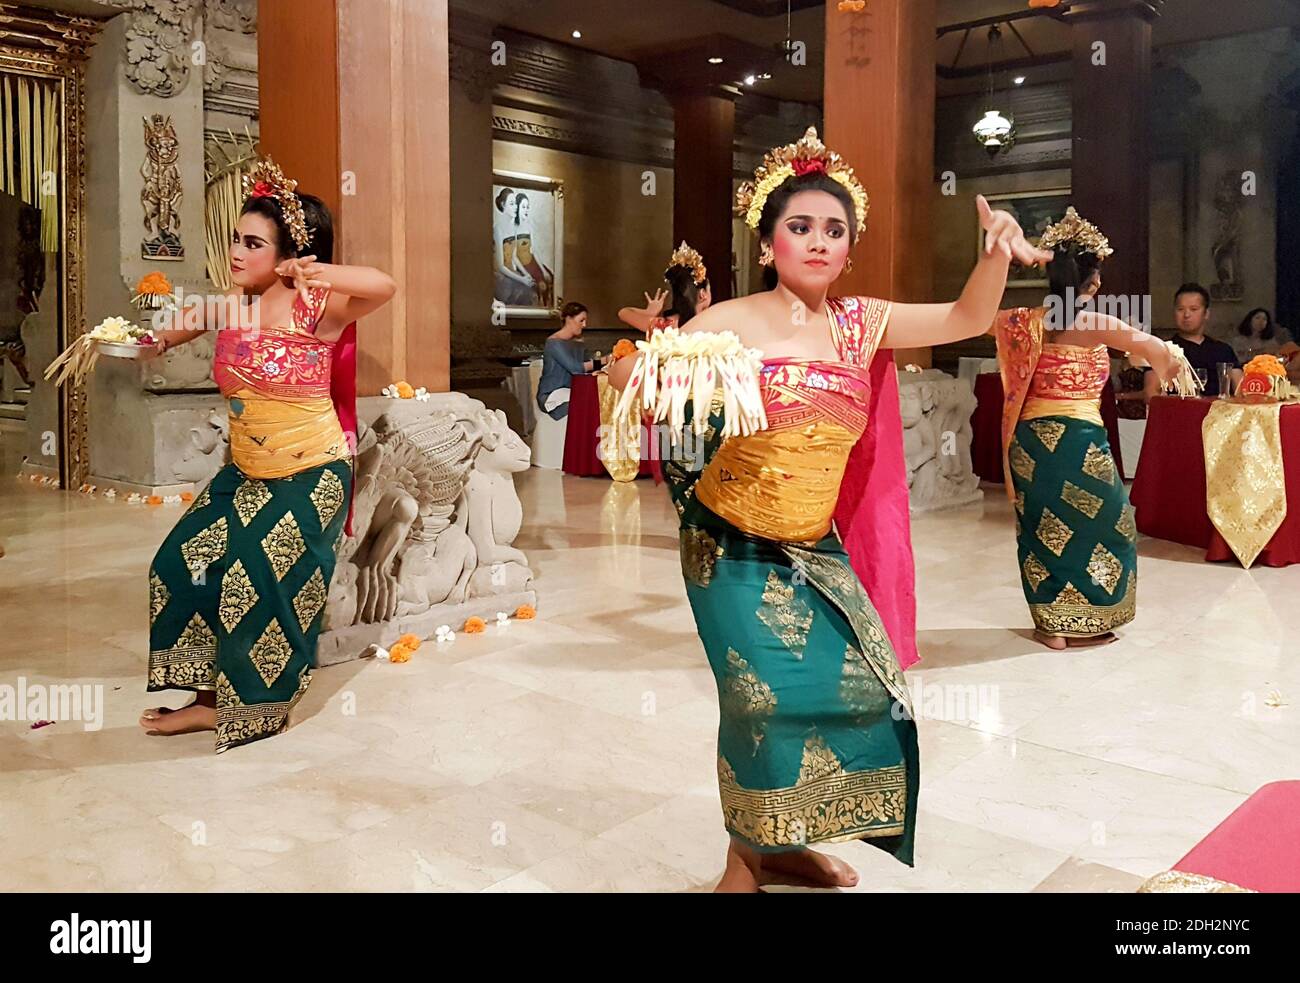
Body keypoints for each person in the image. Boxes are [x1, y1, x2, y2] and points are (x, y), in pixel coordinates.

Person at [609, 127, 1052, 892]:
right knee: (761, 700)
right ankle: (744, 859)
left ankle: (786, 842)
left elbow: (963, 319)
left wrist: (995, 255)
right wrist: (655, 374)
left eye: (834, 230)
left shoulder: (861, 322)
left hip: (814, 543)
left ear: (850, 246)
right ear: (770, 239)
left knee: (857, 689)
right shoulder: (730, 324)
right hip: (730, 544)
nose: (818, 242)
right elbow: (634, 379)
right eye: (800, 227)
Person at [138, 158, 397, 751]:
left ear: (286, 255)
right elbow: (178, 326)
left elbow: (384, 283)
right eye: (236, 238)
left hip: (311, 472)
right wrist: (147, 343)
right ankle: (208, 701)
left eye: (252, 243)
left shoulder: (319, 308)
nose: (236, 252)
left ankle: (257, 709)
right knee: (180, 564)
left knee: (255, 576)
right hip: (247, 472)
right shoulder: (233, 307)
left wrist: (312, 268)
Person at [990, 208, 1179, 651]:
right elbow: (1153, 349)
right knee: (1109, 523)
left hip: (1031, 443)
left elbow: (979, 321)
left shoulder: (1022, 322)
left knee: (1042, 528)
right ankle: (1090, 619)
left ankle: (1052, 626)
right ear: (1092, 284)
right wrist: (1170, 371)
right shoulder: (1095, 323)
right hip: (1076, 440)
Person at [1143, 284, 1239, 399]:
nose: (1186, 315)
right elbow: (1151, 393)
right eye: (1180, 309)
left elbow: (1241, 389)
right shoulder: (1162, 350)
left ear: (1206, 313)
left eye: (1193, 309)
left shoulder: (1223, 350)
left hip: (1220, 413)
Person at [618, 241, 713, 334]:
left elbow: (623, 312)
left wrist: (649, 312)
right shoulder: (711, 324)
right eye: (709, 290)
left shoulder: (665, 325)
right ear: (702, 294)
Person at [536, 301, 600, 421]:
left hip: (573, 390)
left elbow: (589, 366)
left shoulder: (578, 344)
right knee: (587, 404)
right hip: (553, 394)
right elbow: (575, 368)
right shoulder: (553, 343)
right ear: (569, 319)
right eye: (581, 320)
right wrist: (602, 361)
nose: (584, 325)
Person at [513, 193, 555, 309]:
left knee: (550, 277)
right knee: (540, 285)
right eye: (523, 207)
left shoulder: (529, 226)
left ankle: (549, 308)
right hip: (522, 265)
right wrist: (526, 274)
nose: (526, 210)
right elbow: (514, 257)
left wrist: (542, 269)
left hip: (532, 262)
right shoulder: (513, 228)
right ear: (517, 208)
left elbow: (534, 250)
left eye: (527, 207)